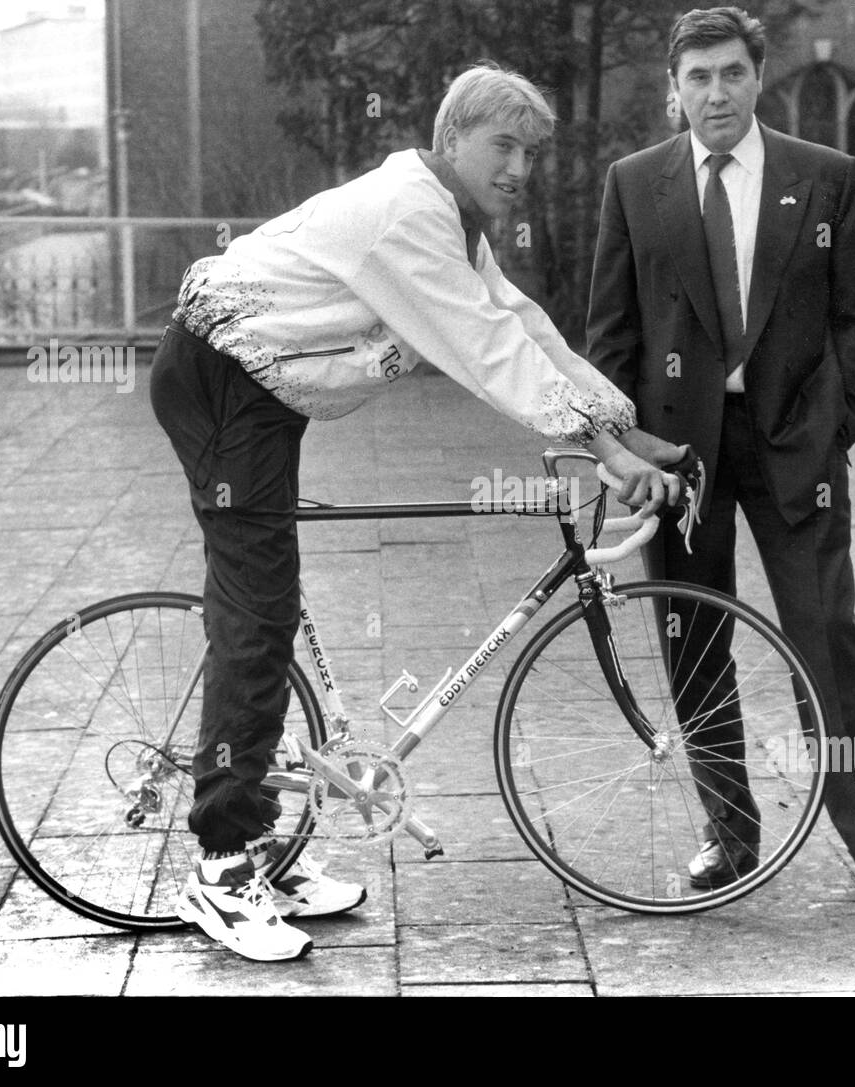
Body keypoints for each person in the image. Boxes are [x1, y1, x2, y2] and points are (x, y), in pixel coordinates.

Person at [150, 64, 688, 962]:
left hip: (260, 390)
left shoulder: (452, 219)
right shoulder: (410, 215)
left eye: (531, 152)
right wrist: (611, 454)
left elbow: (522, 323)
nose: (519, 167)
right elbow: (486, 354)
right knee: (258, 614)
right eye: (502, 145)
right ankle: (221, 866)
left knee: (263, 606)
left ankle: (270, 854)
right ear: (451, 141)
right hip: (218, 384)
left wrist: (628, 427)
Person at [586, 7, 855, 902]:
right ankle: (729, 834)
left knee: (827, 638)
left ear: (756, 77)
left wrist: (829, 431)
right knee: (694, 639)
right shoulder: (634, 183)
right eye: (698, 77)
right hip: (675, 455)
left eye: (732, 73)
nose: (716, 93)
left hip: (794, 446)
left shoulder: (826, 179)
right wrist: (621, 450)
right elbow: (610, 337)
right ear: (675, 88)